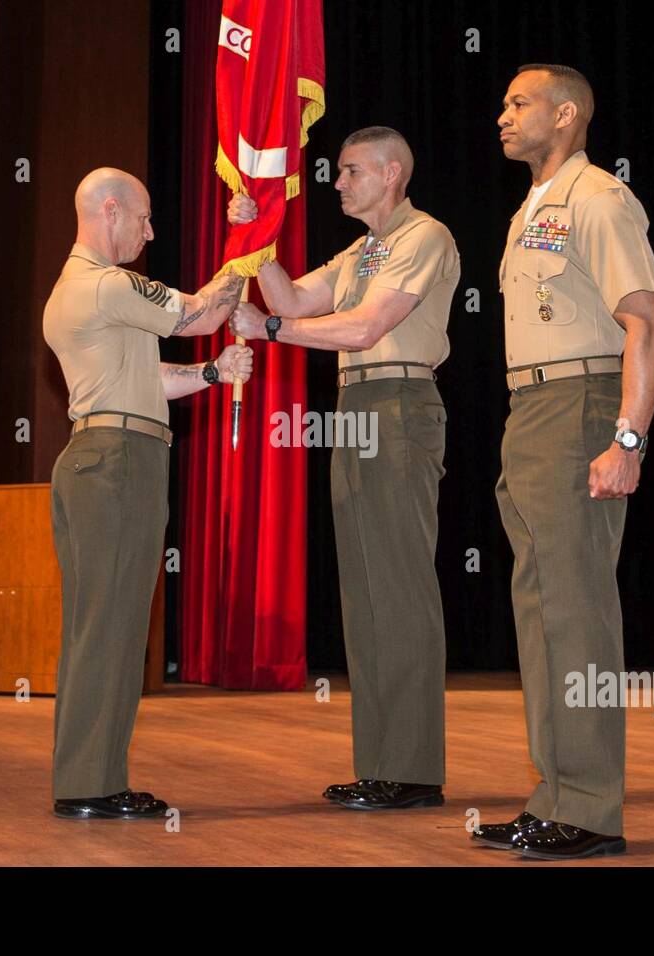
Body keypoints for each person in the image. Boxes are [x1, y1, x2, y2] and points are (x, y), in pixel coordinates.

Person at [229, 127, 460, 810]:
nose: (338, 182)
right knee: (364, 592)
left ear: (392, 173)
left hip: (398, 401)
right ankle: (382, 761)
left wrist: (270, 332)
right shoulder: (364, 249)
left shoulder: (424, 237)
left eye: (352, 171)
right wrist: (259, 241)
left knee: (401, 586)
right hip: (356, 405)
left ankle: (414, 767)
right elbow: (293, 301)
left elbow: (361, 328)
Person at [474, 65, 654, 859]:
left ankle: (589, 809)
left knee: (578, 613)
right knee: (542, 615)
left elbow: (648, 322)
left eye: (518, 103)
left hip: (580, 406)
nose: (502, 115)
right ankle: (554, 795)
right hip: (532, 410)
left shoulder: (598, 199)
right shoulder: (533, 209)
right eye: (504, 102)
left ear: (566, 114)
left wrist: (628, 438)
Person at [43, 167, 249, 819]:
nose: (150, 230)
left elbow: (151, 377)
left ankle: (92, 776)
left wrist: (212, 373)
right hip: (119, 461)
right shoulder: (107, 285)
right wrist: (247, 244)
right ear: (111, 211)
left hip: (106, 454)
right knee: (112, 628)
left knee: (107, 627)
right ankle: (90, 785)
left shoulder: (85, 294)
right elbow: (202, 311)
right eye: (144, 217)